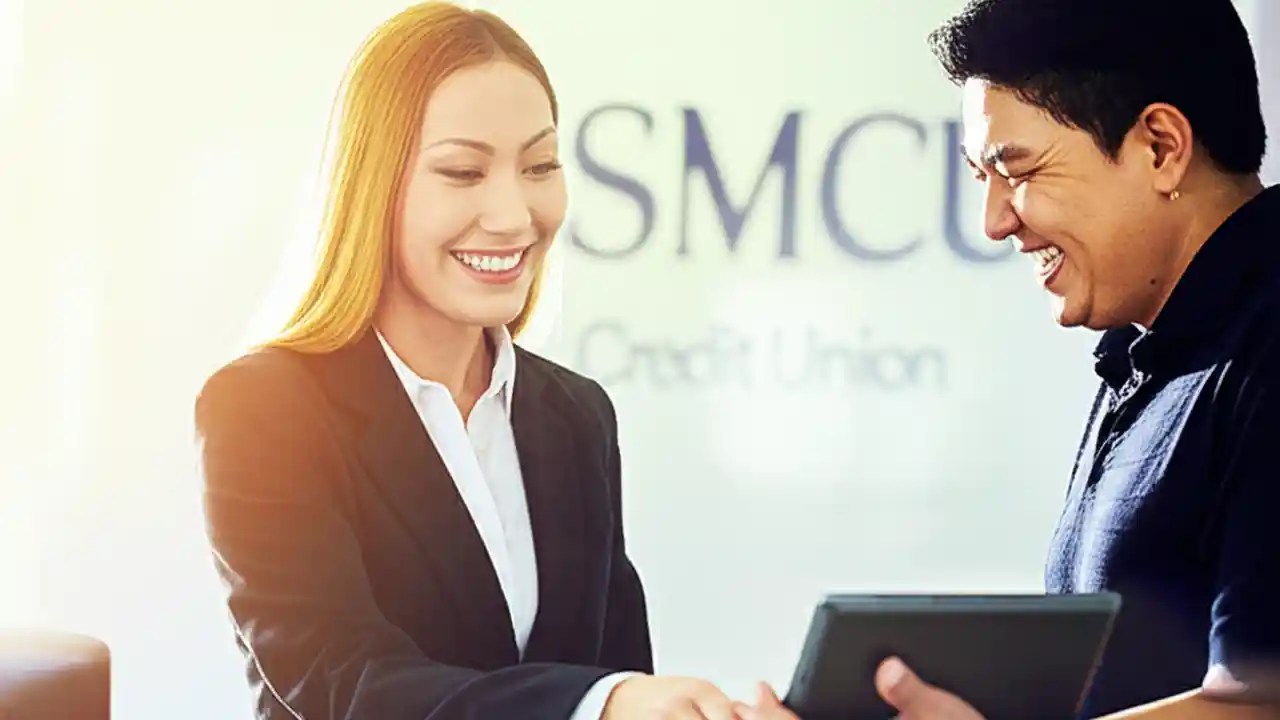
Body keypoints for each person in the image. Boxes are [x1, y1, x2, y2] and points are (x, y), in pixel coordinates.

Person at [194, 3, 742, 718]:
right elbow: (338, 677)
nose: (514, 214)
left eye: (541, 165)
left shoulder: (576, 414)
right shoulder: (266, 408)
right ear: (374, 187)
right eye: (462, 171)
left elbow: (618, 670)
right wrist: (598, 707)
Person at [738, 0, 1280, 718]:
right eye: (979, 176)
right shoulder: (1141, 352)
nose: (994, 221)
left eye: (1017, 169)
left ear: (1160, 147)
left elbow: (1260, 702)